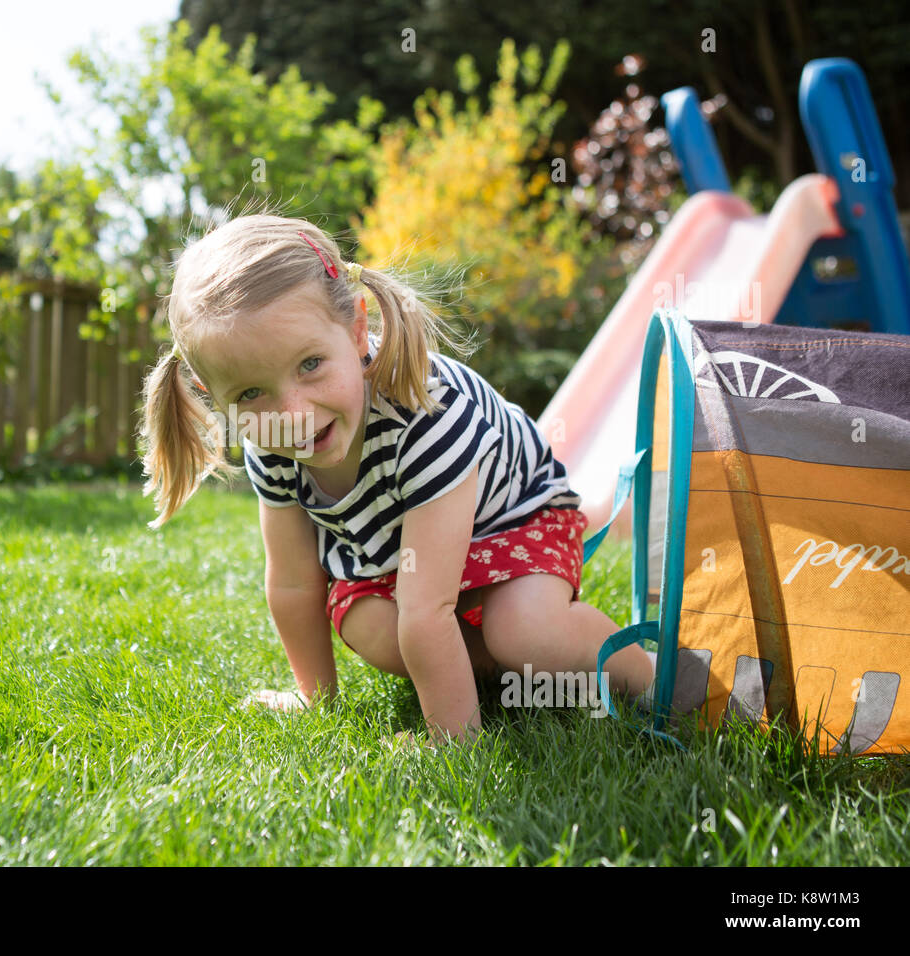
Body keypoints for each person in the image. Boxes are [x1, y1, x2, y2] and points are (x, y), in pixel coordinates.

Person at [139, 213, 653, 746]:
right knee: (372, 628)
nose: (291, 413)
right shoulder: (268, 440)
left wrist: (451, 740)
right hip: (397, 559)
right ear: (210, 391)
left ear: (358, 329)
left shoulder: (425, 413)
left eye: (311, 364)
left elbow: (426, 608)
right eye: (249, 393)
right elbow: (293, 582)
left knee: (524, 634)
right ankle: (493, 675)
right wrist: (314, 694)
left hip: (513, 525)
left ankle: (658, 678)